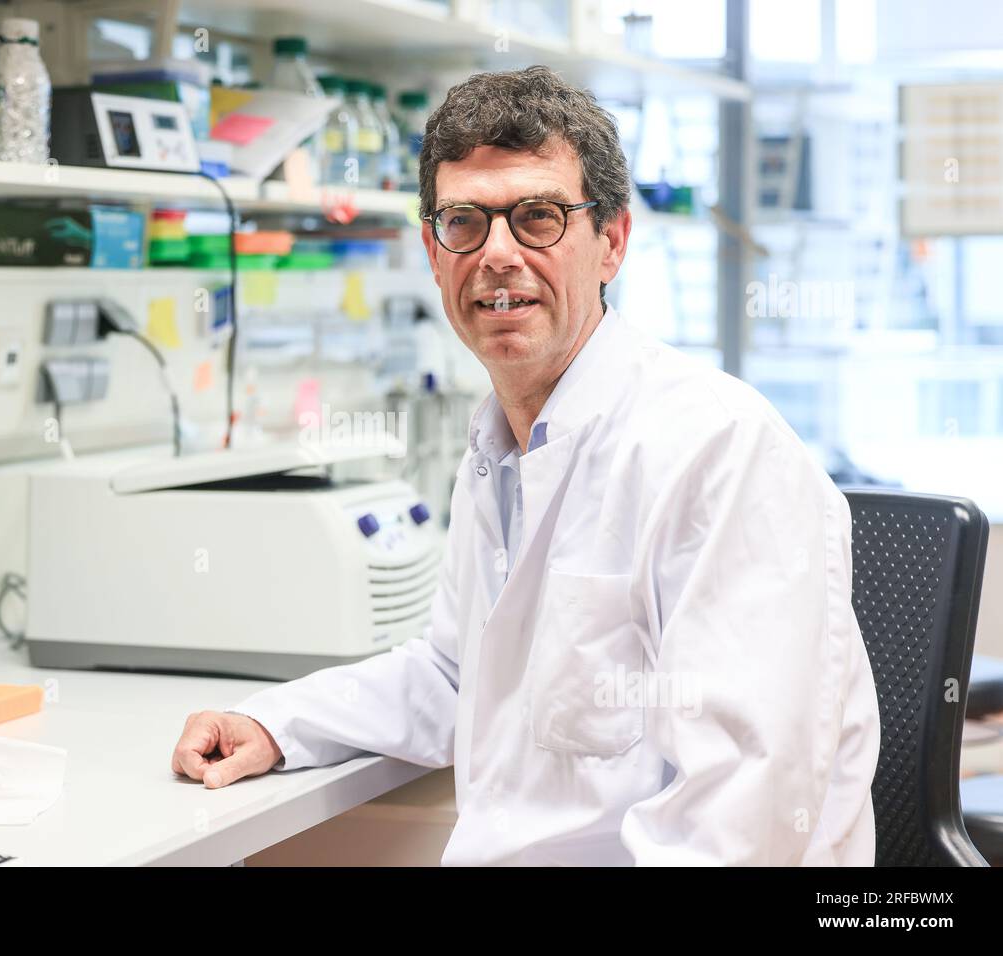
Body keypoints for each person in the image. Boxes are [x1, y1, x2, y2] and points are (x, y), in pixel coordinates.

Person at [170, 65, 881, 865]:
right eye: (464, 222)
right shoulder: (499, 447)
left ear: (611, 241)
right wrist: (276, 725)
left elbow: (739, 819)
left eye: (538, 218)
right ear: (435, 256)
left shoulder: (717, 452)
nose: (497, 254)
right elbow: (457, 675)